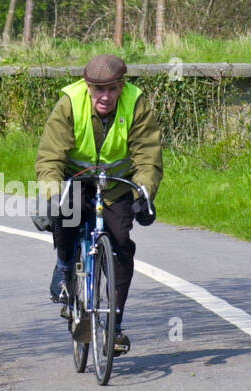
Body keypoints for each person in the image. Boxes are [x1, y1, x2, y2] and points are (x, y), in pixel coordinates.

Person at [34, 53, 163, 355]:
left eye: (112, 89)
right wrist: (53, 196)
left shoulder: (136, 104)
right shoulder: (69, 103)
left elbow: (148, 157)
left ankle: (114, 326)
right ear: (87, 86)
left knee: (120, 247)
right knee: (67, 214)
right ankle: (65, 268)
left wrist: (144, 194)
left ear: (122, 86)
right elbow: (50, 157)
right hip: (76, 180)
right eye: (98, 89)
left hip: (116, 186)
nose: (105, 96)